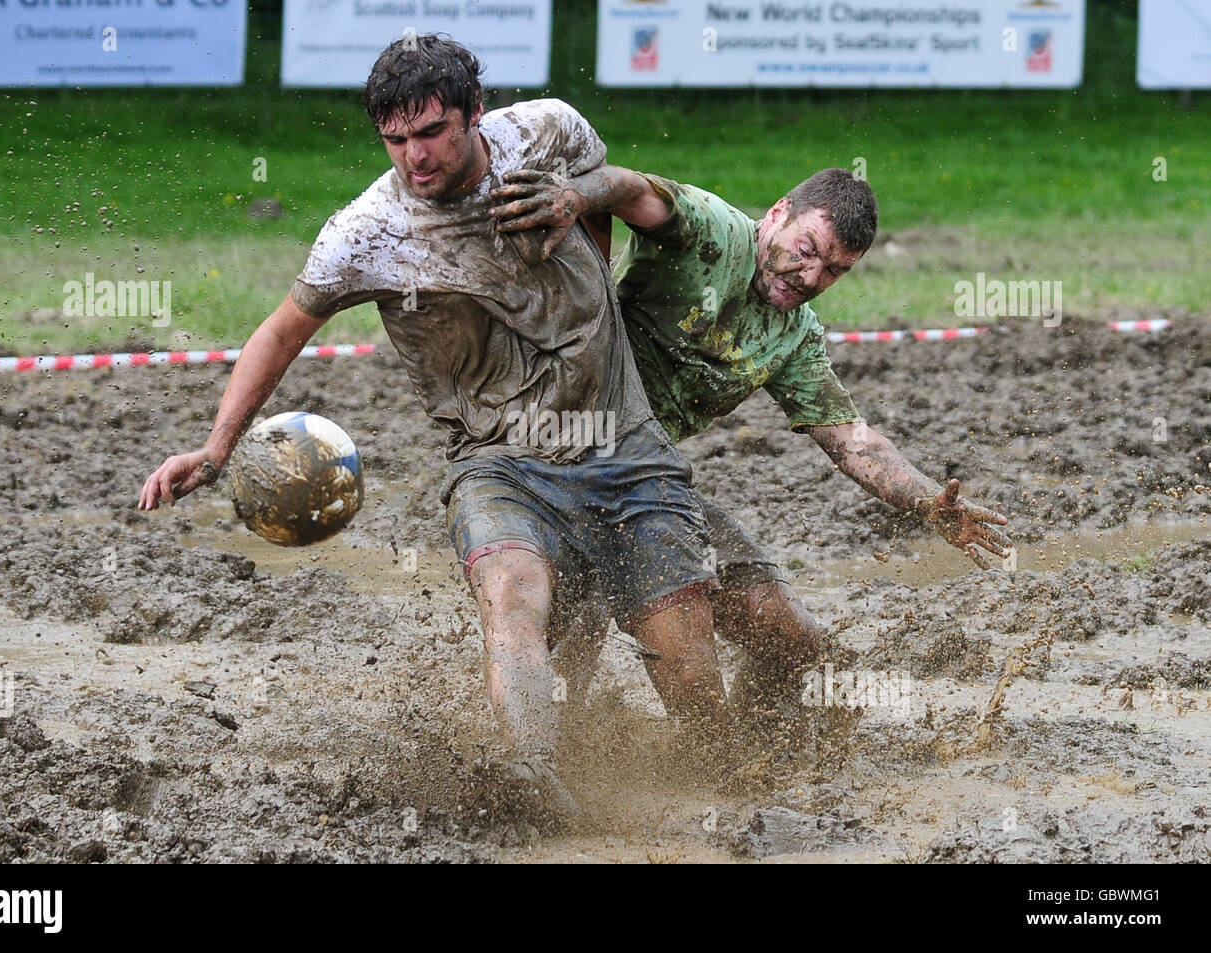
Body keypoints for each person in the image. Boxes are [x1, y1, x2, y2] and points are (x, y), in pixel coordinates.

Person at [137, 36, 732, 820]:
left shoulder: (549, 130)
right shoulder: (367, 232)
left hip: (624, 445)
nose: (413, 156)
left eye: (431, 132)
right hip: (499, 461)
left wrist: (579, 232)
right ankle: (534, 780)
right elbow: (281, 331)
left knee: (696, 691)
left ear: (475, 113)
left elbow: (611, 192)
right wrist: (216, 448)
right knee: (512, 594)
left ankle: (720, 785)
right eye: (395, 138)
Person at [487, 166, 1013, 712]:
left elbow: (852, 439)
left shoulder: (794, 335)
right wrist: (574, 196)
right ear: (779, 214)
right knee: (563, 658)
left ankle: (752, 760)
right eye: (807, 250)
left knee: (794, 640)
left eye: (834, 270)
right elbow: (635, 190)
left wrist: (926, 501)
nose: (811, 276)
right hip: (553, 458)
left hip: (648, 486)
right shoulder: (712, 231)